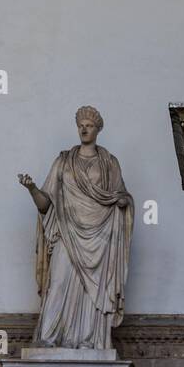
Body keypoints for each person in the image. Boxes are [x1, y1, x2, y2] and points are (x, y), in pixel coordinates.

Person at [17, 106, 133, 350]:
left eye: (89, 125)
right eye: (81, 124)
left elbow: (122, 197)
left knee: (92, 292)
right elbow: (46, 204)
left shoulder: (109, 163)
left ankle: (87, 341)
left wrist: (122, 202)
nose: (84, 129)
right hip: (67, 233)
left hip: (100, 237)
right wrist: (32, 189)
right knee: (58, 282)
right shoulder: (64, 161)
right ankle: (49, 339)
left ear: (97, 129)